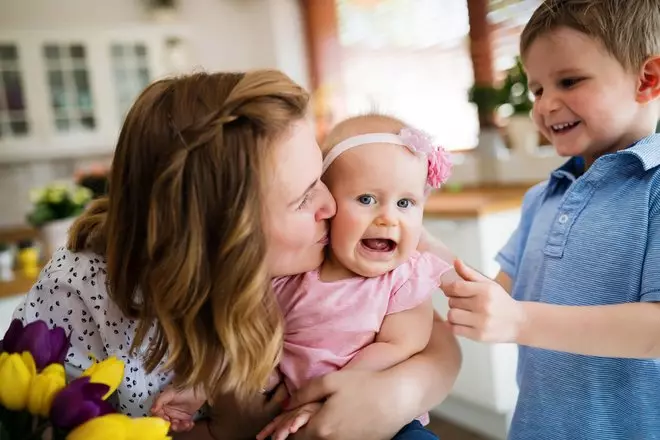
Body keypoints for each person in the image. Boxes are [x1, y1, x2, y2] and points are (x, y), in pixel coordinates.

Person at [12, 69, 461, 439]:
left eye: (320, 179)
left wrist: (394, 396)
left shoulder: (325, 254)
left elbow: (439, 347)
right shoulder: (82, 290)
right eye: (304, 197)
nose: (332, 207)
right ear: (225, 229)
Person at [152, 114, 455, 440]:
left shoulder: (405, 278)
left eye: (405, 202)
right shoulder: (292, 274)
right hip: (286, 418)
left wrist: (333, 397)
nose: (388, 218)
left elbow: (401, 346)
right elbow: (250, 346)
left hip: (380, 419)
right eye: (366, 199)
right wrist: (199, 390)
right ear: (328, 202)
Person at [443, 1, 660, 439]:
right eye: (538, 89)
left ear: (647, 79)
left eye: (569, 81)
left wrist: (519, 321)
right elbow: (501, 294)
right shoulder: (542, 197)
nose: (546, 105)